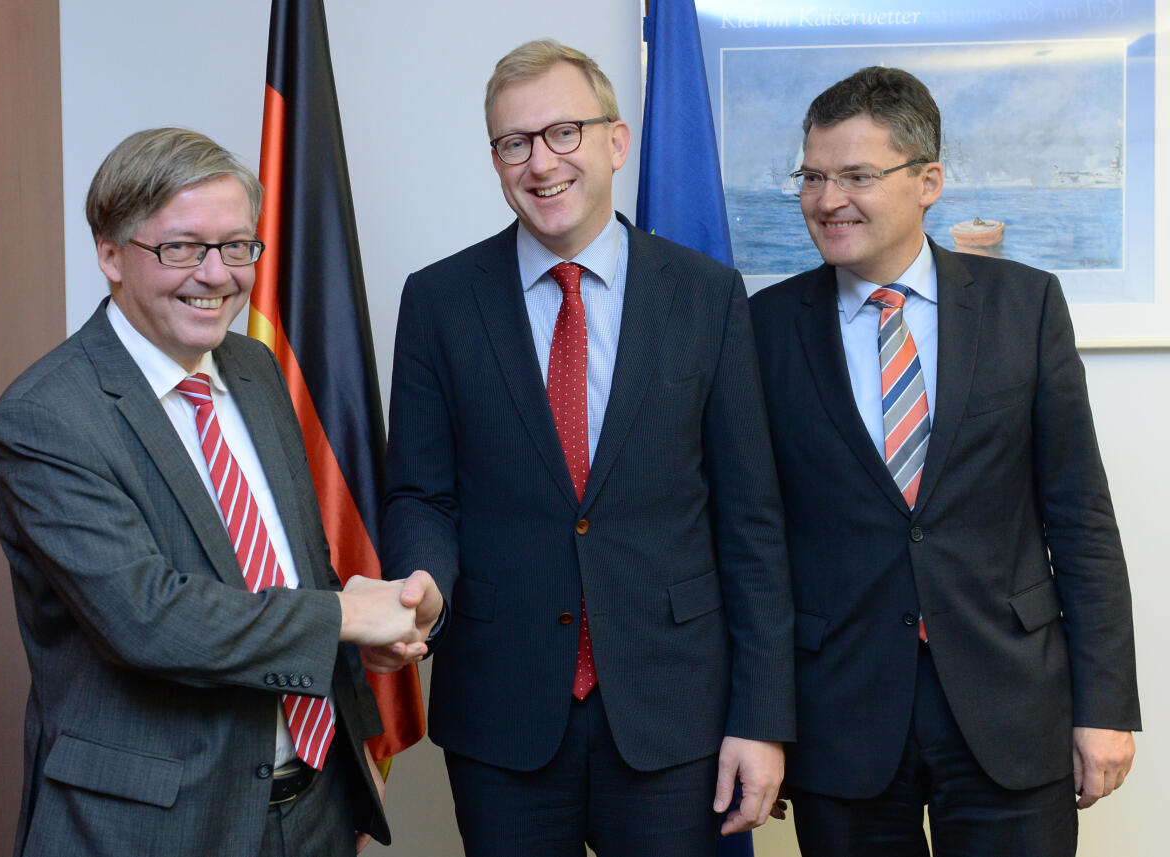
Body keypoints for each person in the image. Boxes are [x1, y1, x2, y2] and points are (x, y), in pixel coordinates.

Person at [378, 39, 794, 857]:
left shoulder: (706, 296)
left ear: (616, 141)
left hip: (676, 714)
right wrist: (424, 580)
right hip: (503, 712)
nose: (542, 162)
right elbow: (420, 493)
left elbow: (751, 522)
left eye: (565, 131)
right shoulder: (438, 302)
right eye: (515, 142)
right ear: (496, 159)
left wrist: (762, 717)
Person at [0, 127, 438, 857]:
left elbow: (301, 573)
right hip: (148, 827)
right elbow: (148, 617)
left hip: (313, 806)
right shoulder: (46, 415)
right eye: (181, 247)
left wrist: (353, 754)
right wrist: (341, 616)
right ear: (110, 254)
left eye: (237, 245)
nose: (217, 274)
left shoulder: (256, 370)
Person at [748, 66, 1141, 856]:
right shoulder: (762, 329)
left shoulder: (1024, 306)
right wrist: (763, 720)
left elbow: (1079, 515)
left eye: (857, 175)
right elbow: (753, 542)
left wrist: (1106, 705)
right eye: (814, 177)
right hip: (841, 715)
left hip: (1009, 704)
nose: (827, 200)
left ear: (928, 180)